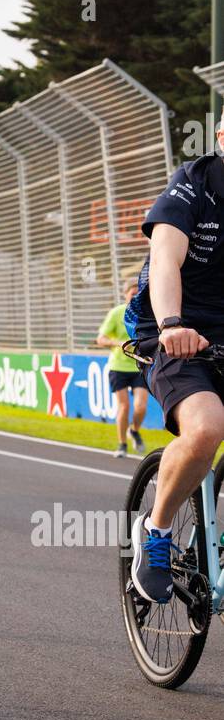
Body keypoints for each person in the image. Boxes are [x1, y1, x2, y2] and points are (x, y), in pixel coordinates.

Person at [125, 137, 224, 604]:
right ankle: (157, 533)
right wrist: (171, 323)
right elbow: (166, 259)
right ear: (221, 138)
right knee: (205, 429)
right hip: (174, 329)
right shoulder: (193, 184)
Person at [96, 279, 148, 457]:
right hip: (118, 366)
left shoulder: (146, 312)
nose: (135, 297)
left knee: (140, 406)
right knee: (124, 406)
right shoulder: (116, 313)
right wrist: (117, 342)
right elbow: (100, 339)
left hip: (139, 365)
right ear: (125, 294)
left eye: (138, 294)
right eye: (132, 294)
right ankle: (122, 445)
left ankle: (134, 430)